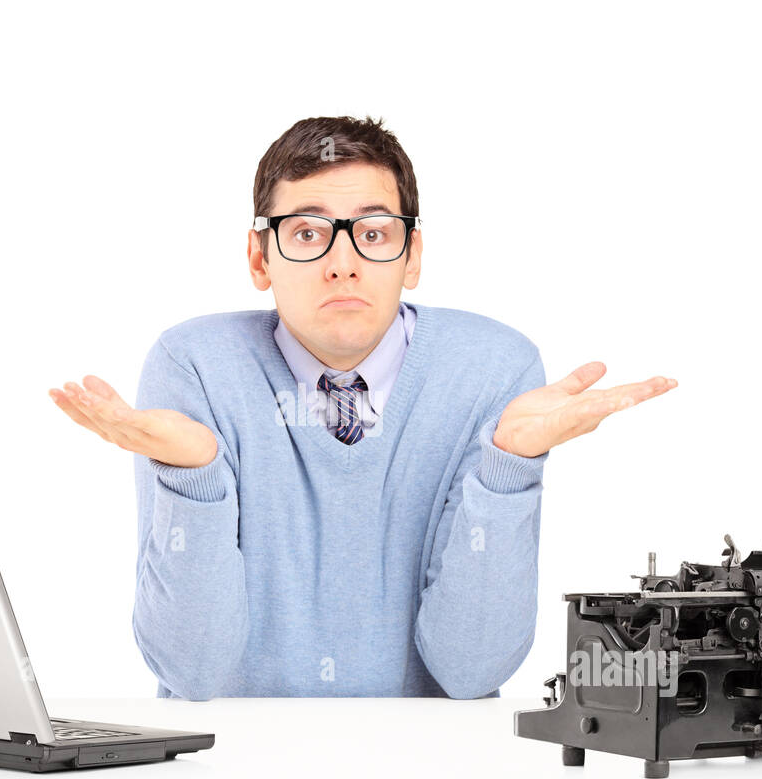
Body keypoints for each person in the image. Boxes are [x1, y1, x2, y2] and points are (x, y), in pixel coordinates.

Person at [49, 116, 675, 699]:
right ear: (259, 258)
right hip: (232, 776)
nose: (342, 264)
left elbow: (470, 672)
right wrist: (196, 476)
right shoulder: (195, 366)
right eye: (308, 234)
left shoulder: (493, 367)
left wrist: (508, 465)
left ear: (414, 256)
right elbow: (193, 671)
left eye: (373, 234)